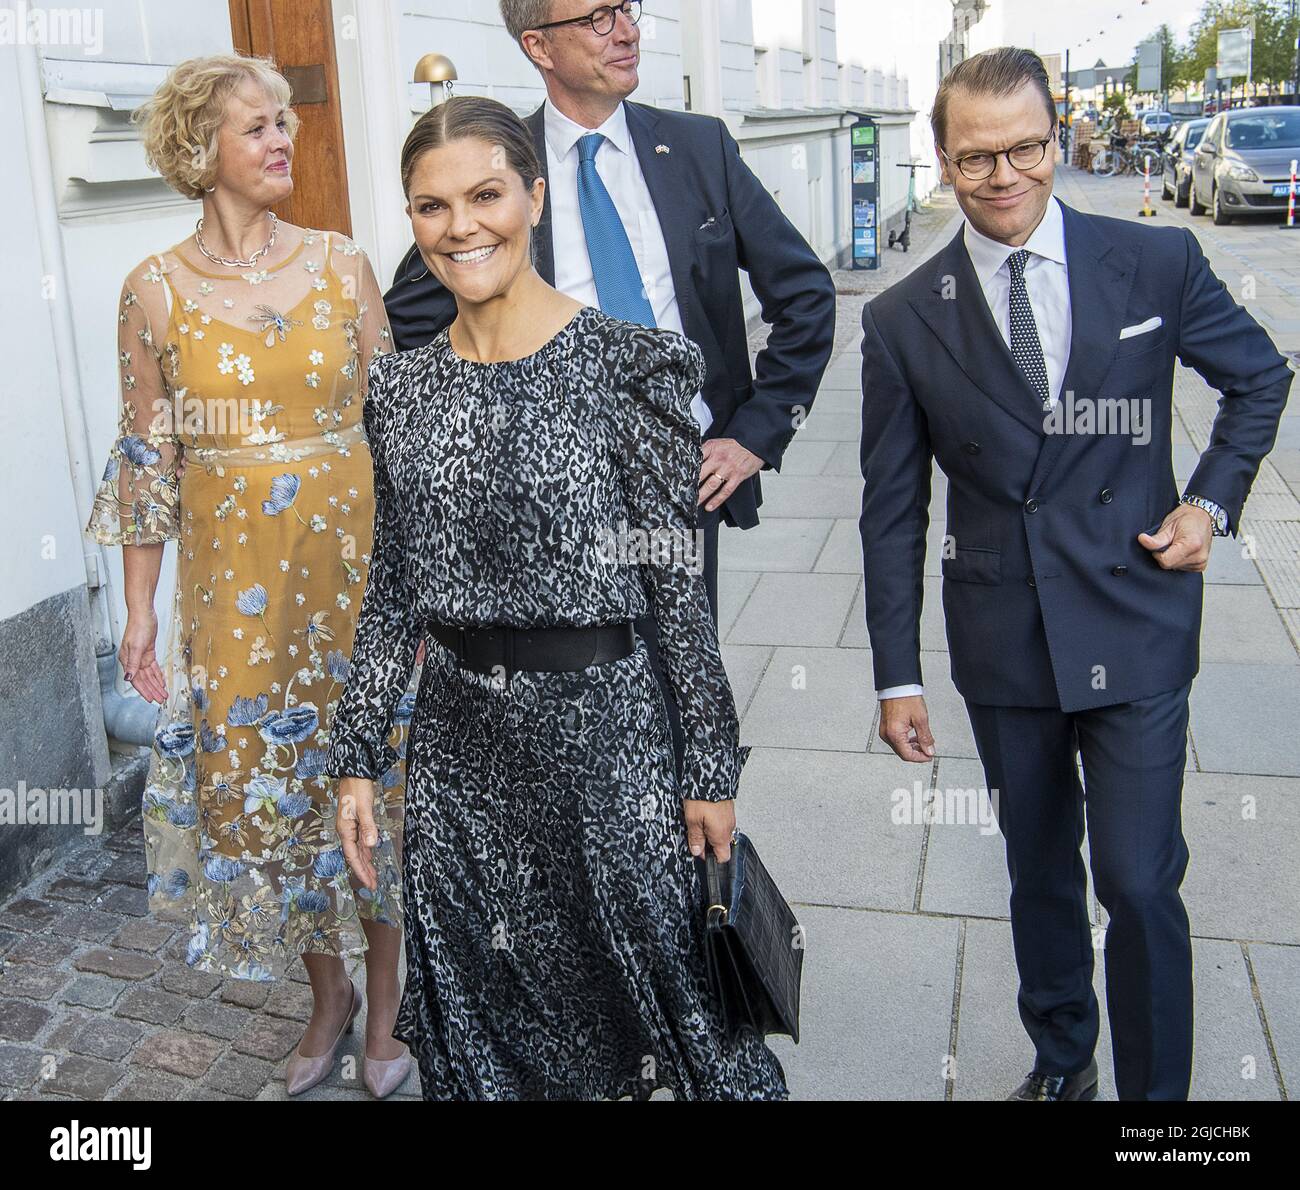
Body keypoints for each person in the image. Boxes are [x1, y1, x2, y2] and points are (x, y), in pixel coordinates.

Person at [323, 94, 787, 1101]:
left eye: (485, 194)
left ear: (533, 196)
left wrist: (708, 764)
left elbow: (676, 589)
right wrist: (360, 755)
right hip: (457, 755)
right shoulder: (400, 391)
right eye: (431, 206)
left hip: (607, 739)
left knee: (673, 1012)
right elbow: (394, 583)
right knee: (484, 1021)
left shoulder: (630, 367)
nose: (461, 227)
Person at [858, 47, 1292, 1101]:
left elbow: (1258, 378)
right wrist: (894, 674)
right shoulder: (900, 318)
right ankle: (1064, 1061)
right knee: (1038, 875)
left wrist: (1209, 501)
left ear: (1057, 140)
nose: (1003, 175)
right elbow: (892, 508)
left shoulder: (1153, 266)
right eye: (975, 157)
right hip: (1005, 639)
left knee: (1139, 881)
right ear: (943, 162)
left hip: (1134, 612)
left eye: (1024, 148)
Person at [383, 0, 836, 774]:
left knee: (681, 692)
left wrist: (757, 433)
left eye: (626, 10)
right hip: (553, 497)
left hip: (681, 481)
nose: (626, 31)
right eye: (597, 17)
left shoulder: (698, 150)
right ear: (539, 46)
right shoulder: (501, 170)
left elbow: (805, 295)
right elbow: (413, 310)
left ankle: (693, 857)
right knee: (576, 720)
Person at [84, 53, 416, 1098]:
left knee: (384, 786)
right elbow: (147, 461)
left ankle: (388, 1013)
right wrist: (138, 614)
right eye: (257, 128)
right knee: (275, 795)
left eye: (284, 121)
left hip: (357, 578)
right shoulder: (152, 289)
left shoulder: (340, 262)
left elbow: (399, 428)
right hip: (235, 600)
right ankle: (328, 999)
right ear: (200, 152)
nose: (284, 140)